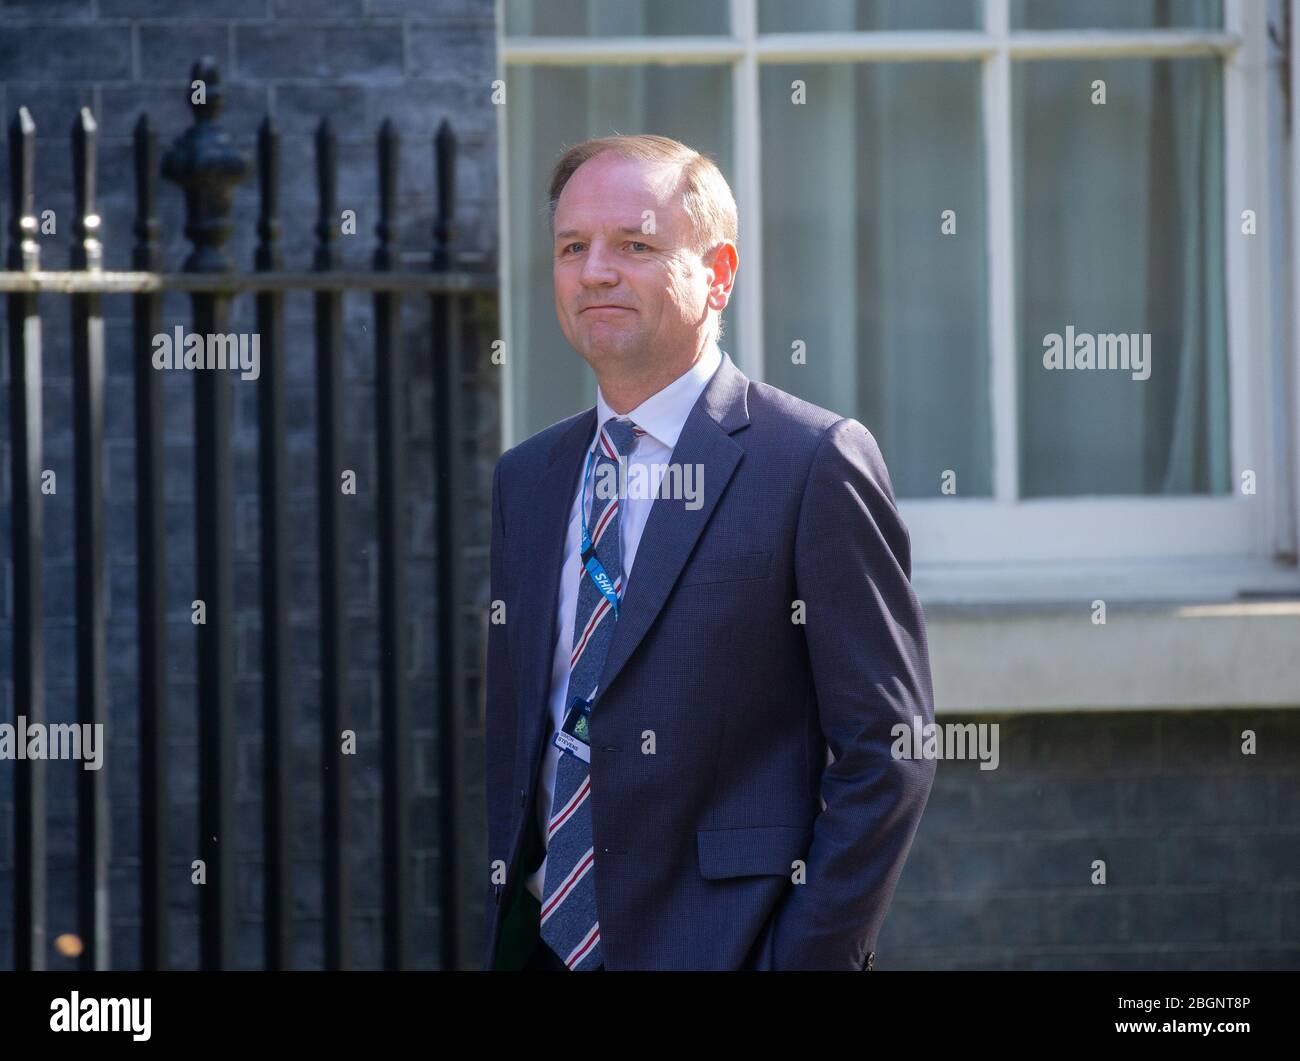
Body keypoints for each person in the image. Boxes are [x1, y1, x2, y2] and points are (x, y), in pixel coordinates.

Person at [483, 134, 935, 971]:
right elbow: (524, 744)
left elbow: (891, 749)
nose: (595, 271)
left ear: (718, 273)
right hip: (544, 943)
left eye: (637, 245)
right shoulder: (530, 479)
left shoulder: (810, 461)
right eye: (573, 247)